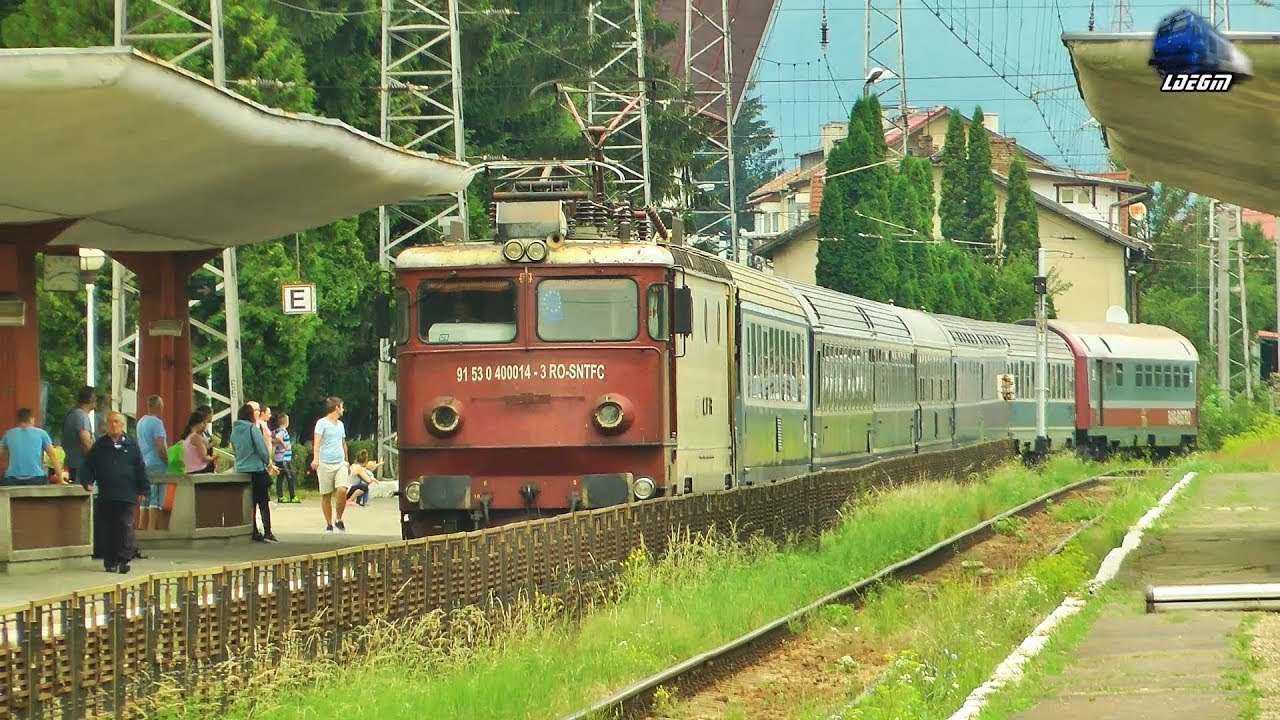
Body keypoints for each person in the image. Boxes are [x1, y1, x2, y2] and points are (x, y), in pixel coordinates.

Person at [81, 411, 150, 574]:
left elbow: (140, 467)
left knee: (124, 525)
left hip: (126, 493)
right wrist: (87, 481)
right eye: (111, 422)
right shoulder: (100, 445)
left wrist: (143, 489)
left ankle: (123, 559)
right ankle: (110, 561)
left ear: (123, 425)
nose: (114, 425)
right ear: (106, 425)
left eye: (117, 422)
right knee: (108, 528)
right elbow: (88, 465)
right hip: (106, 493)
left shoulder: (131, 444)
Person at [231, 404, 277, 543]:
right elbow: (261, 449)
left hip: (241, 470)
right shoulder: (252, 429)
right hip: (256, 470)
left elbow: (234, 448)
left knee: (249, 503)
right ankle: (267, 530)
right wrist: (267, 462)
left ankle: (253, 530)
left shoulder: (234, 431)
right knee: (263, 502)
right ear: (250, 415)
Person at [311, 397, 349, 533]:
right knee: (326, 495)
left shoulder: (341, 425)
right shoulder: (322, 423)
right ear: (336, 407)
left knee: (342, 490)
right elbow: (317, 442)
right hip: (325, 463)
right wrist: (316, 459)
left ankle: (339, 518)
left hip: (340, 463)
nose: (343, 409)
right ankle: (329, 523)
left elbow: (343, 443)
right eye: (342, 406)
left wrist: (347, 460)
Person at [1, 408, 62, 486]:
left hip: (12, 479)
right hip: (36, 479)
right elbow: (53, 457)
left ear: (18, 420)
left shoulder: (8, 434)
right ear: (30, 419)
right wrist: (60, 480)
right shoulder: (41, 433)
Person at [134, 395, 169, 531]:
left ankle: (142, 526)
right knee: (156, 498)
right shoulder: (157, 423)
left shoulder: (141, 422)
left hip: (145, 463)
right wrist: (167, 460)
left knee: (145, 498)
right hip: (157, 464)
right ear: (159, 406)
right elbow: (160, 446)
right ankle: (152, 529)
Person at [61, 386, 95, 486]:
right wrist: (96, 460)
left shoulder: (71, 414)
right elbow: (85, 442)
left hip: (70, 464)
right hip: (81, 467)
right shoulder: (81, 416)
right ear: (92, 399)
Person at [271, 413, 298, 503]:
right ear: (286, 422)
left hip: (278, 458)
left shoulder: (275, 431)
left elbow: (272, 439)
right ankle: (293, 496)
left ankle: (280, 496)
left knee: (280, 478)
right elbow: (279, 437)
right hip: (284, 458)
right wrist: (284, 446)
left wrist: (276, 444)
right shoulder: (283, 431)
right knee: (290, 476)